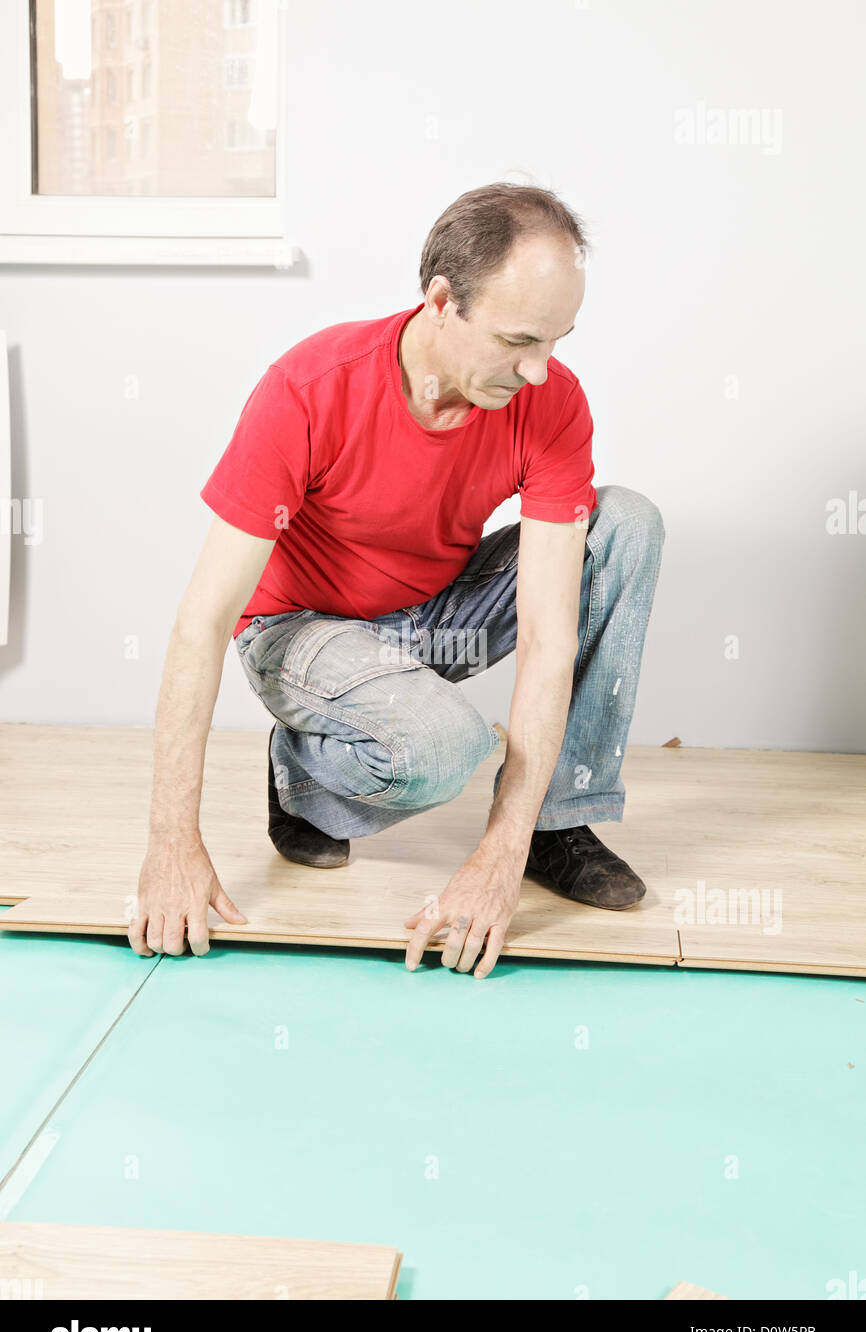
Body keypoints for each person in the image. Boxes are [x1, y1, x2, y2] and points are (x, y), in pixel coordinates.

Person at [129, 182, 665, 979]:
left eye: (557, 340)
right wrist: (173, 842)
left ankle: (557, 825)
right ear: (441, 301)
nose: (540, 370)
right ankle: (303, 778)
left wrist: (501, 848)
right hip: (302, 629)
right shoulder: (312, 388)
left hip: (432, 616)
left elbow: (551, 635)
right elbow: (200, 623)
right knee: (445, 748)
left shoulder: (549, 403)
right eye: (519, 339)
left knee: (625, 523)